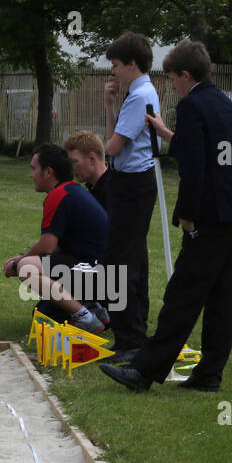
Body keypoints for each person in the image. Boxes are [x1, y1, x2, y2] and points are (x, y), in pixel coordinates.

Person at [100, 40, 232, 393]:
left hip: (211, 213)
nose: (171, 85)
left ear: (186, 75)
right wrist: (166, 133)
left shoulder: (191, 105)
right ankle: (209, 374)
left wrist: (187, 215)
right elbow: (212, 152)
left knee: (183, 294)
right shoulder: (222, 103)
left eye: (172, 78)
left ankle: (143, 371)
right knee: (222, 296)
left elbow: (193, 169)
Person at [2, 143, 111, 334]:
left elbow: (48, 245)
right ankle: (92, 307)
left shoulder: (59, 195)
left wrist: (19, 262)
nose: (31, 175)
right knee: (43, 316)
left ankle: (85, 318)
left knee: (27, 267)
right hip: (102, 273)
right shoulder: (72, 191)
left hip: (96, 273)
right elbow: (59, 248)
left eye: (33, 169)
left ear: (48, 172)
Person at [102, 31, 162, 360]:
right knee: (132, 257)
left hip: (132, 184)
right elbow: (117, 140)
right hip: (131, 181)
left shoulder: (140, 95)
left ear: (132, 63)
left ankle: (130, 339)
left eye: (116, 65)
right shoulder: (137, 92)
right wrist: (109, 104)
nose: (114, 72)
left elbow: (112, 146)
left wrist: (102, 149)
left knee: (120, 262)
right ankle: (133, 332)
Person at [64, 130, 110, 210]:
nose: (71, 168)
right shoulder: (94, 190)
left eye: (74, 162)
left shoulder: (115, 194)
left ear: (91, 159)